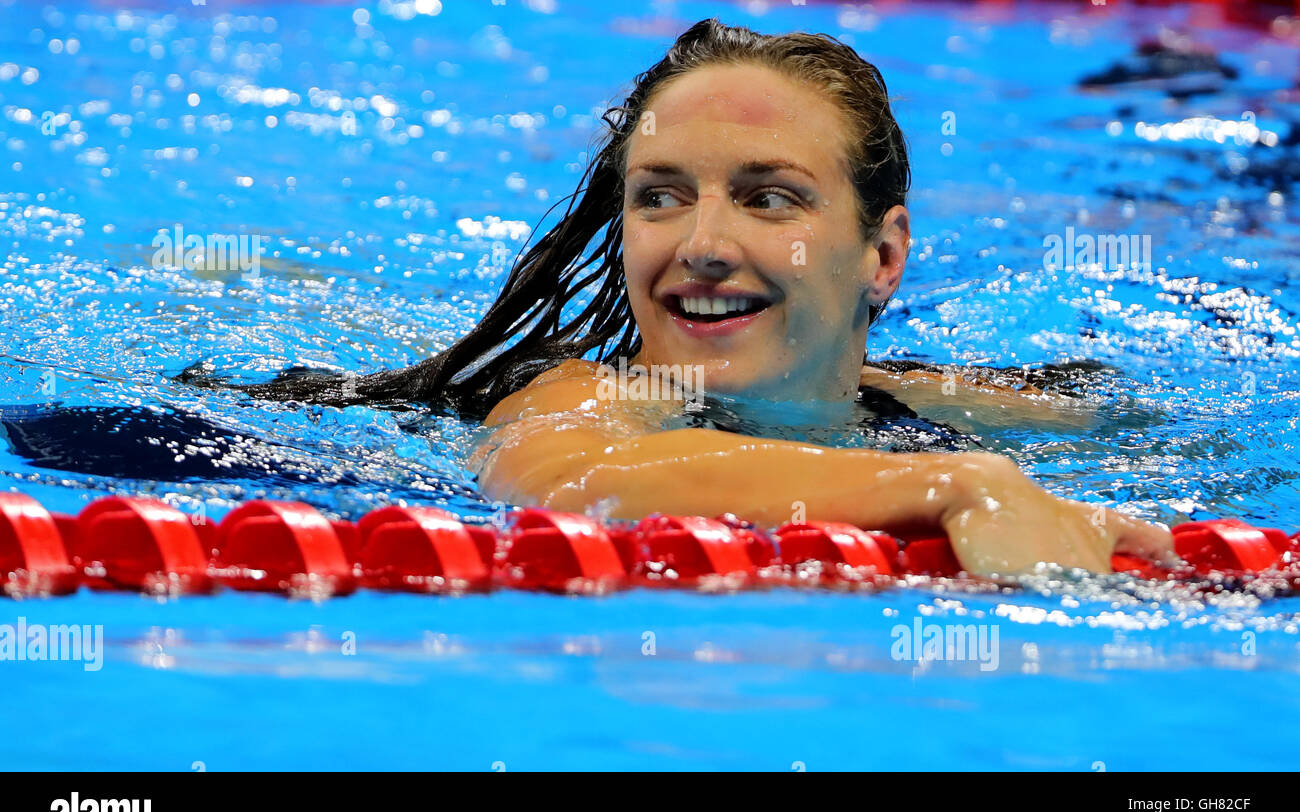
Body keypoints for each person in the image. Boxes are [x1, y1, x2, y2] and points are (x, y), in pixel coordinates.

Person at [227, 19, 1178, 577]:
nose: (703, 248)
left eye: (769, 199)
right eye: (662, 198)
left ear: (883, 258)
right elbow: (575, 484)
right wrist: (961, 486)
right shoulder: (580, 403)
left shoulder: (940, 403)